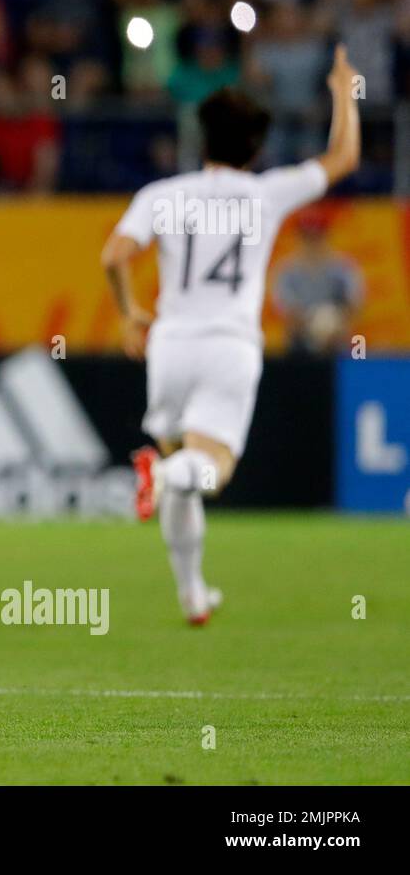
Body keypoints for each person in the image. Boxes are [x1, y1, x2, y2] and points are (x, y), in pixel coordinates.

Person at [100, 45, 361, 625]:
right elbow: (342, 157)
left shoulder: (162, 196)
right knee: (208, 471)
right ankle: (163, 474)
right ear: (256, 147)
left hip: (169, 344)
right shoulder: (267, 193)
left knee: (183, 474)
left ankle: (192, 595)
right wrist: (345, 92)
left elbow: (114, 254)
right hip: (229, 345)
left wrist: (127, 312)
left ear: (203, 138)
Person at [272, 214, 363, 355]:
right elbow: (285, 307)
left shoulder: (342, 267)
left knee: (356, 352)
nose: (312, 243)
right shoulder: (288, 270)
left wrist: (334, 323)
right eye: (308, 237)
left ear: (325, 237)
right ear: (300, 238)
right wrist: (312, 325)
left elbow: (354, 303)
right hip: (299, 342)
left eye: (317, 237)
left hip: (337, 341)